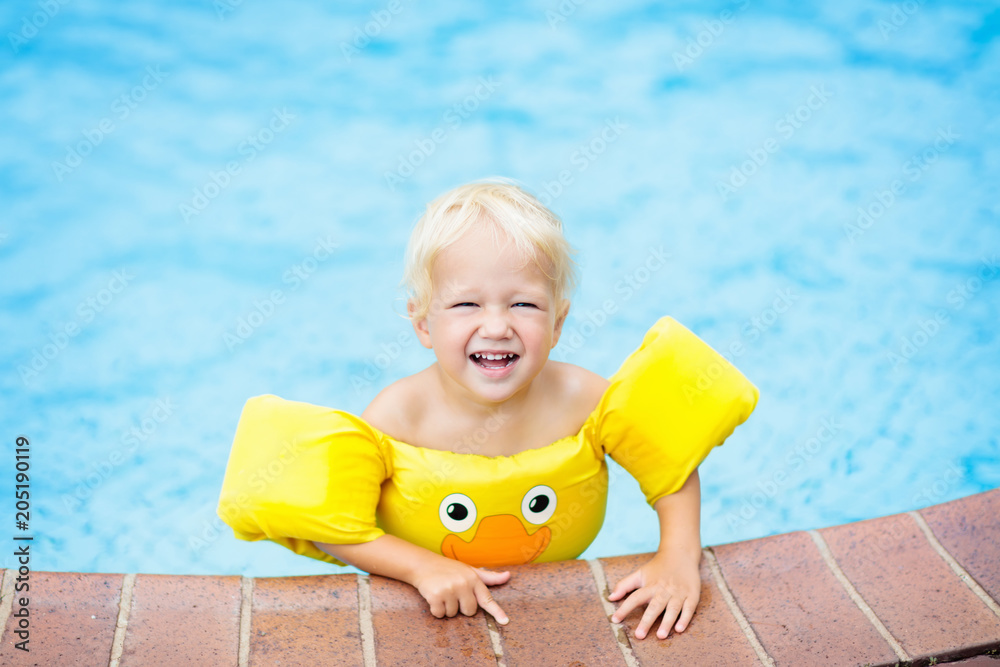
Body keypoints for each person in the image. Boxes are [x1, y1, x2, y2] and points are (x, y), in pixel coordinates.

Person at [217, 179, 758, 641]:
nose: (496, 325)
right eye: (466, 304)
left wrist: (677, 558)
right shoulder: (401, 415)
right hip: (426, 618)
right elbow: (332, 520)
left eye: (523, 303)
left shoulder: (583, 400)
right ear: (424, 324)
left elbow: (671, 467)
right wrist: (420, 567)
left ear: (559, 321)